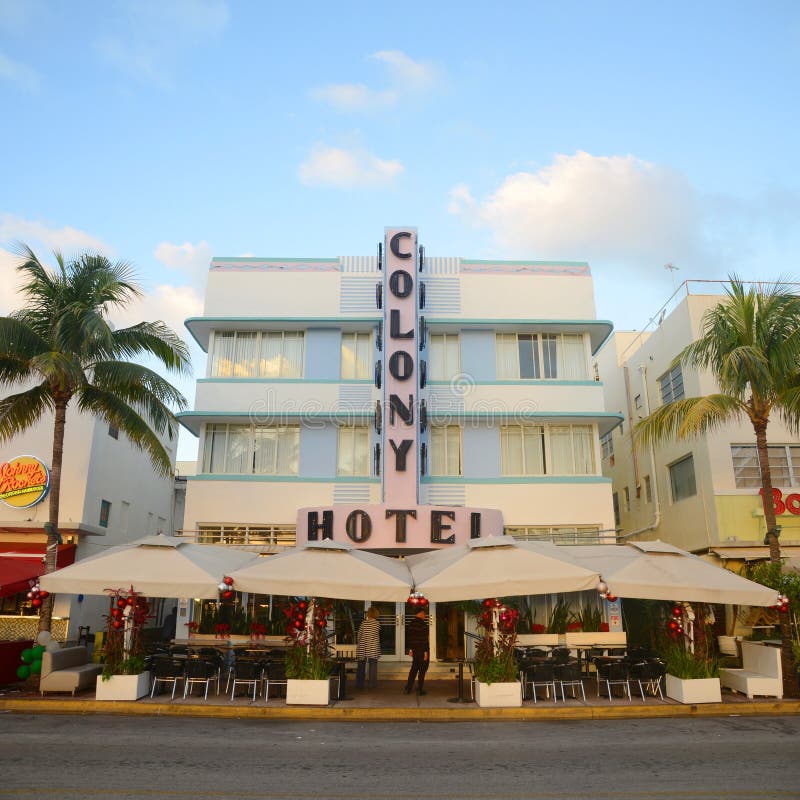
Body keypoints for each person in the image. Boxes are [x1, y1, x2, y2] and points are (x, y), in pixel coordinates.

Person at [404, 606, 429, 696]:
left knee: (414, 669)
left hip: (415, 650)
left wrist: (410, 649)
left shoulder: (411, 624)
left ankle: (408, 688)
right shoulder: (423, 625)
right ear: (421, 613)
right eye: (424, 613)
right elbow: (424, 640)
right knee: (422, 670)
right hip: (422, 651)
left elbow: (410, 638)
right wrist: (426, 652)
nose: (425, 615)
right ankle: (419, 689)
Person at [355, 606, 381, 689]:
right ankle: (372, 684)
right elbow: (378, 635)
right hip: (373, 647)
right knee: (373, 665)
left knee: (361, 665)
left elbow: (359, 635)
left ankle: (359, 684)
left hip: (363, 646)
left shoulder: (364, 623)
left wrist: (360, 641)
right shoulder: (377, 624)